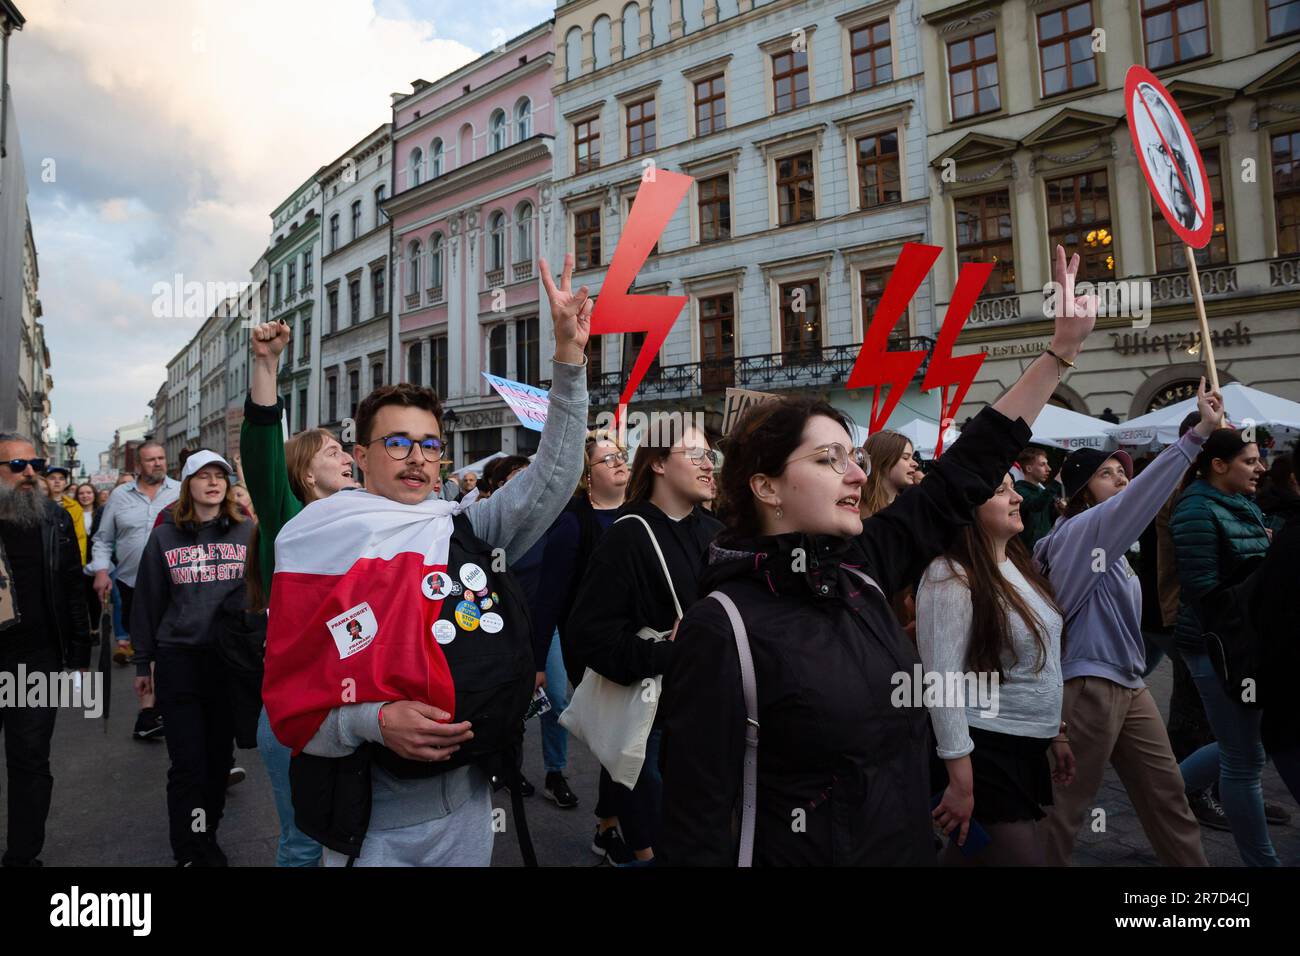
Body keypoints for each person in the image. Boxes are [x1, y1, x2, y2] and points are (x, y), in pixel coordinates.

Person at [656, 244, 1094, 866]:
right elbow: (695, 824)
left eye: (854, 457)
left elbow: (964, 472)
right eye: (826, 460)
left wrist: (1060, 354)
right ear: (767, 487)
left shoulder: (861, 569)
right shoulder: (721, 627)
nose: (855, 474)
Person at [262, 253, 590, 867]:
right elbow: (293, 700)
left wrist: (568, 360)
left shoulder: (463, 526)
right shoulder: (317, 539)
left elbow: (553, 475)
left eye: (430, 445)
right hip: (369, 823)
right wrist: (372, 719)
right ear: (360, 455)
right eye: (398, 443)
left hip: (466, 806)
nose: (417, 458)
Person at [1035, 380, 1222, 867]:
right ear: (1079, 491)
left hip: (1130, 684)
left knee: (1169, 797)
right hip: (1089, 686)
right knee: (1064, 812)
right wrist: (1196, 435)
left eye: (1124, 472)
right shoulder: (1079, 532)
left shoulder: (1111, 546)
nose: (1121, 480)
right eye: (1108, 473)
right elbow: (1139, 500)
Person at [565, 419, 721, 865]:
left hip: (706, 715)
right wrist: (673, 653)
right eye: (694, 454)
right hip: (653, 718)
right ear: (656, 463)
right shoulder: (628, 535)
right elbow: (588, 637)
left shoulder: (715, 532)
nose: (708, 464)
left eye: (710, 455)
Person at [241, 319, 362, 866]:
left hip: (363, 704)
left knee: (363, 837)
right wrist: (267, 365)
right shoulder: (288, 520)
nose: (347, 457)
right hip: (300, 708)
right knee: (304, 843)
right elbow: (263, 451)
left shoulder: (373, 520)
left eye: (347, 450)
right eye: (332, 451)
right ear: (305, 475)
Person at [918, 472, 1071, 865]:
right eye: (1000, 490)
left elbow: (1045, 659)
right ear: (967, 506)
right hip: (984, 753)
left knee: (971, 858)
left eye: (1012, 487)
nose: (1016, 497)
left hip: (1024, 748)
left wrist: (1056, 733)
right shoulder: (948, 574)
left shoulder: (1018, 564)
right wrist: (960, 777)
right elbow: (941, 681)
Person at [131, 451, 252, 867]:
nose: (214, 483)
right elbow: (147, 601)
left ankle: (207, 835)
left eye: (221, 475)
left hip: (227, 663)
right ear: (188, 485)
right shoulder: (165, 536)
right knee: (189, 764)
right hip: (178, 660)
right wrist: (142, 663)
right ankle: (190, 849)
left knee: (218, 761)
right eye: (204, 476)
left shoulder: (246, 531)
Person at [1172, 428, 1278, 866]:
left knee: (1250, 748)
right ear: (1218, 465)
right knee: (1243, 760)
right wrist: (1269, 568)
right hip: (1215, 647)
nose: (1261, 468)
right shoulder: (1195, 509)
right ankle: (1262, 862)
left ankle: (1163, 789)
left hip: (1245, 644)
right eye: (1250, 461)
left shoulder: (1242, 503)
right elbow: (1208, 594)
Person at [532, 430, 630, 855]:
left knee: (638, 741)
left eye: (621, 455)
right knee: (620, 738)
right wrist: (537, 660)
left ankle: (626, 823)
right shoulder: (572, 523)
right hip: (590, 649)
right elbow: (549, 598)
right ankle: (609, 827)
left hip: (641, 644)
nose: (619, 463)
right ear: (587, 477)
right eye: (607, 460)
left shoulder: (643, 513)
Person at [0, 434, 93, 867]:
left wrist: (77, 659)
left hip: (35, 661)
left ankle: (22, 855)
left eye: (34, 463)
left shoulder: (54, 518)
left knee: (31, 758)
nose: (30, 473)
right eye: (17, 466)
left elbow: (74, 587)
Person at [89, 441, 181, 739]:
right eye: (150, 460)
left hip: (174, 586)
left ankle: (151, 711)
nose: (157, 464)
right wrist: (102, 570)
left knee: (165, 646)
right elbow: (103, 539)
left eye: (161, 458)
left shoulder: (180, 492)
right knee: (147, 647)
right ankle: (152, 711)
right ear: (138, 466)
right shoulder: (119, 496)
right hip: (132, 584)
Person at [859, 430, 916, 518]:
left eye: (912, 457)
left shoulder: (907, 507)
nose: (915, 464)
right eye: (905, 457)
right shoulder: (857, 512)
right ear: (882, 461)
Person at [1013, 447, 1058, 552]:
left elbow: (1054, 520)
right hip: (1026, 553)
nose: (1049, 469)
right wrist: (1058, 479)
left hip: (1046, 551)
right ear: (1029, 469)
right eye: (1042, 465)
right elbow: (1036, 505)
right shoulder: (1018, 491)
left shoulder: (1042, 492)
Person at [45, 466, 87, 565]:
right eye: (52, 478)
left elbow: (80, 537)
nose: (57, 481)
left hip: (66, 560)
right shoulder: (38, 504)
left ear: (65, 483)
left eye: (61, 478)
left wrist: (79, 563)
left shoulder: (74, 507)